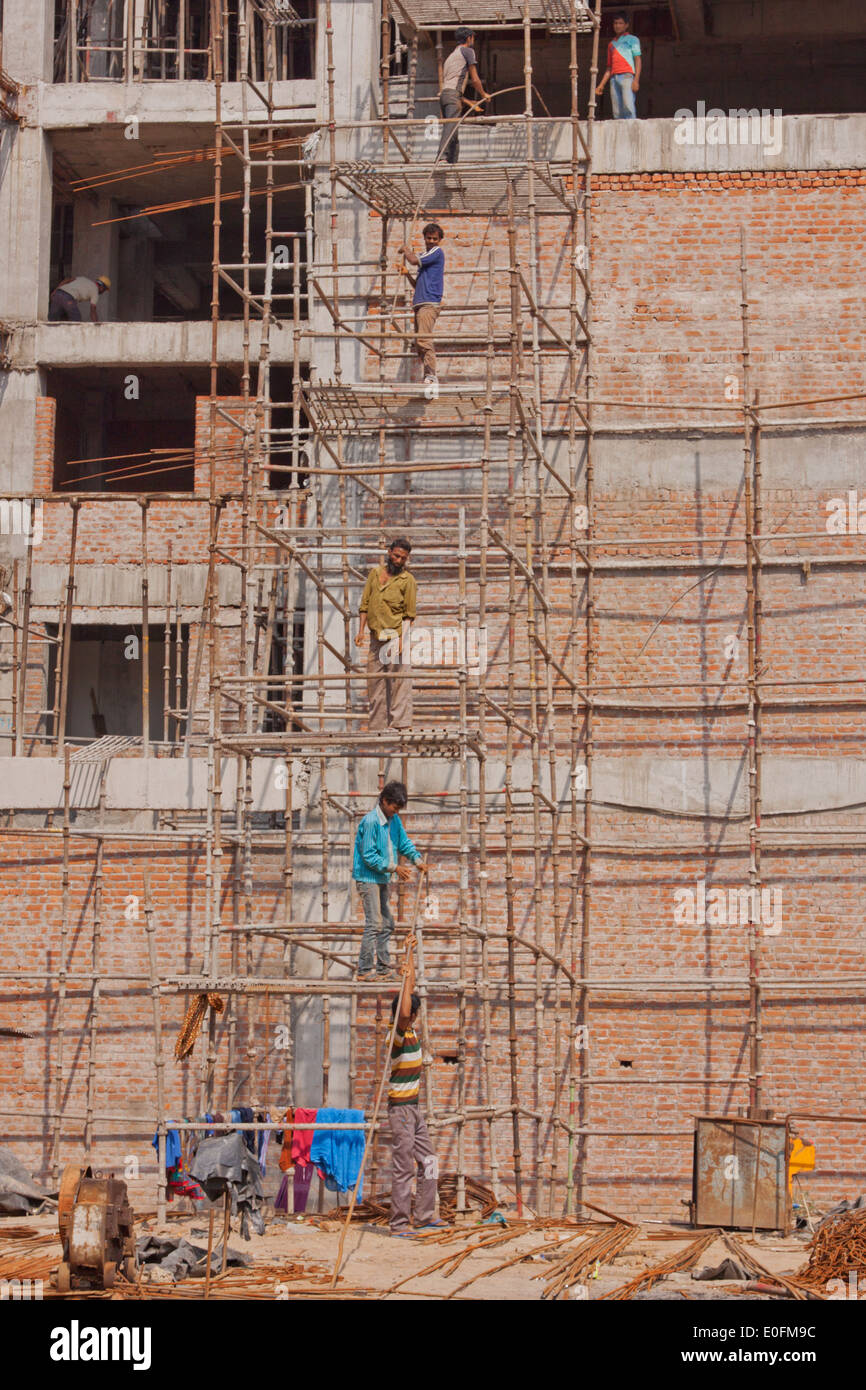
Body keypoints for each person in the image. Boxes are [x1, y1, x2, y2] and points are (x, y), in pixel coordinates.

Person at [388, 935, 445, 1236]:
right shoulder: (396, 1036)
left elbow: (409, 987)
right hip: (400, 1112)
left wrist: (409, 954)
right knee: (403, 1168)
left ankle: (424, 1215)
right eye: (412, 1013)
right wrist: (405, 978)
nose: (415, 1016)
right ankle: (398, 1224)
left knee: (430, 1161)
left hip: (414, 1110)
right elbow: (404, 1004)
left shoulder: (411, 1036)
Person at [352, 784, 428, 980]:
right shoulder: (370, 822)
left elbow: (404, 843)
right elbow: (368, 855)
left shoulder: (394, 821)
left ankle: (383, 969)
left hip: (381, 877)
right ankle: (364, 970)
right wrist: (394, 867)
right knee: (374, 923)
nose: (396, 811)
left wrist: (417, 860)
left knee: (387, 924)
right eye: (395, 807)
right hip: (367, 878)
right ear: (385, 801)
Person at [356, 537, 417, 730]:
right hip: (376, 638)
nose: (399, 561)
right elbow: (365, 605)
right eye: (397, 556)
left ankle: (400, 724)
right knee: (374, 682)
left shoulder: (408, 581)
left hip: (397, 636)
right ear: (389, 552)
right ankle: (377, 726)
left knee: (399, 681)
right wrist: (361, 632)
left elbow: (409, 615)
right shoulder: (375, 574)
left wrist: (402, 641)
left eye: (403, 558)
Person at [437, 26, 490, 165]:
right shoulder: (468, 51)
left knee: (453, 130)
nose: (473, 40)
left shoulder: (452, 56)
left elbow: (452, 87)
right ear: (468, 38)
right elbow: (475, 79)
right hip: (452, 96)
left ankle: (452, 162)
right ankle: (442, 157)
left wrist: (469, 102)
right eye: (473, 37)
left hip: (446, 96)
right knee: (450, 126)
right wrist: (484, 94)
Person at [401, 224, 444, 387]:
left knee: (424, 339)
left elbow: (412, 259)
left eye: (435, 238)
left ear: (439, 240)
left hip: (428, 304)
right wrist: (407, 275)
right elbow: (418, 285)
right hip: (419, 303)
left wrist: (406, 250)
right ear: (424, 238)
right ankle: (428, 374)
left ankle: (431, 376)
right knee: (419, 342)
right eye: (429, 238)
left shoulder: (436, 252)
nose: (431, 241)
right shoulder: (426, 257)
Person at [596, 12, 641, 120]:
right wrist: (601, 85)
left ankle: (631, 131)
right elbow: (609, 68)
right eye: (615, 23)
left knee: (628, 106)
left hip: (627, 76)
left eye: (621, 23)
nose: (617, 25)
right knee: (616, 111)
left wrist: (636, 80)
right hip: (613, 79)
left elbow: (638, 60)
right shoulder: (611, 44)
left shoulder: (633, 39)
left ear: (626, 25)